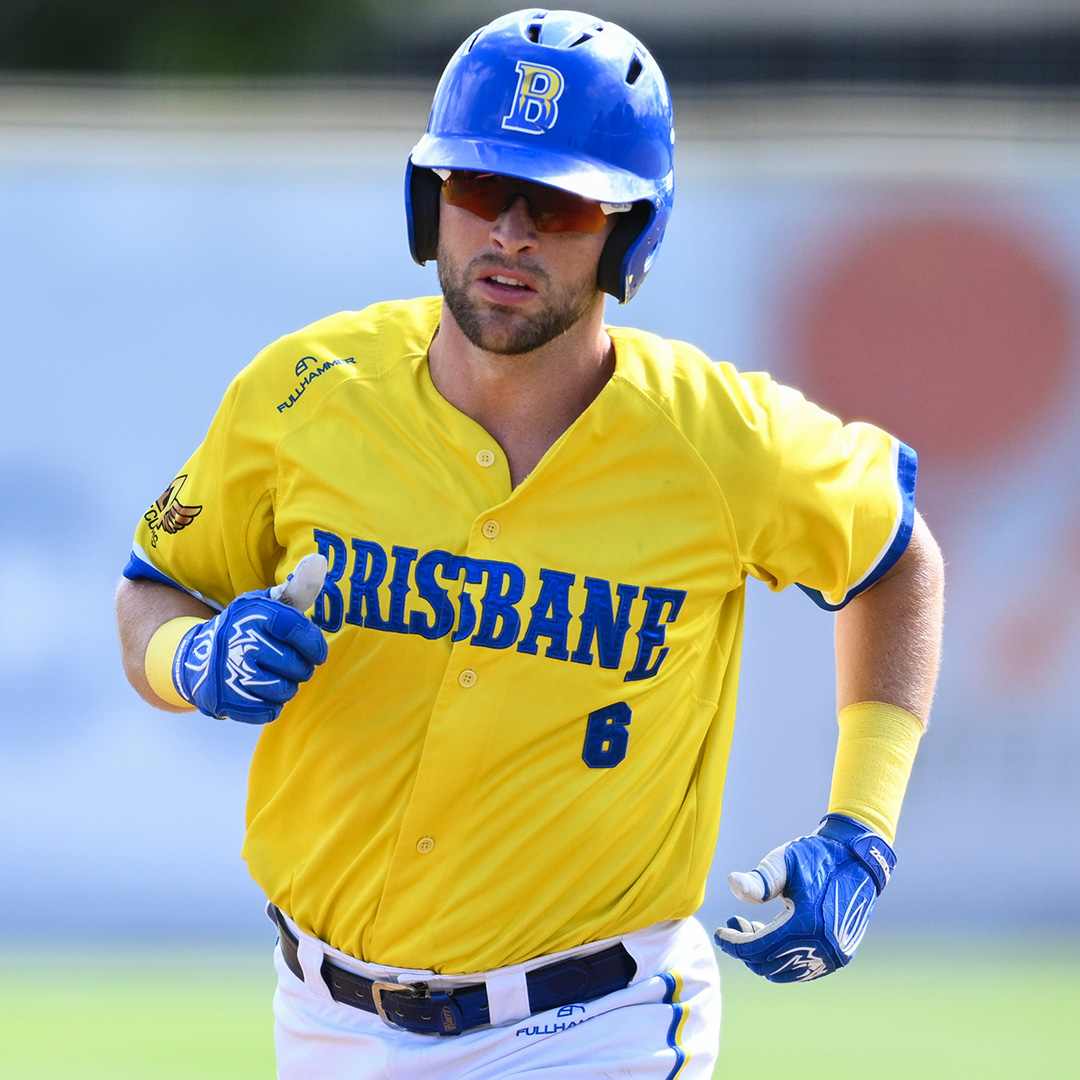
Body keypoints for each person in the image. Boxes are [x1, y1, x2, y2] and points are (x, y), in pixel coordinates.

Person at [115, 9, 944, 1079]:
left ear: (629, 232)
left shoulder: (722, 439)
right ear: (429, 204)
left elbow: (898, 557)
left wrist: (862, 829)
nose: (507, 231)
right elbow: (153, 591)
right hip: (321, 1020)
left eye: (556, 202)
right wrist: (194, 660)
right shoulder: (304, 391)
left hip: (596, 1027)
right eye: (473, 187)